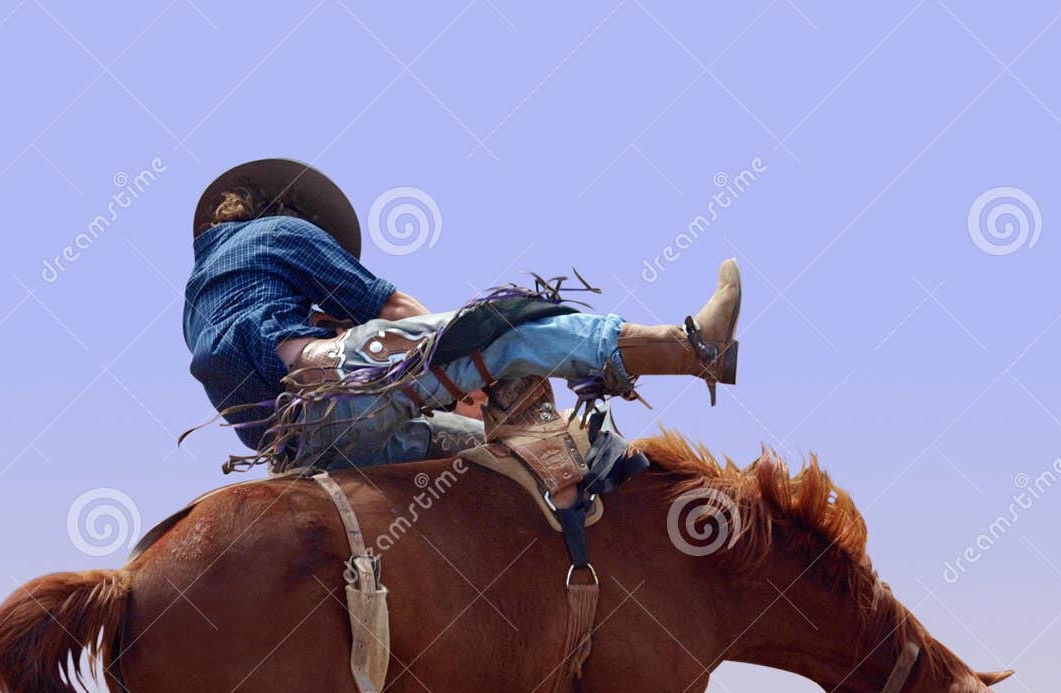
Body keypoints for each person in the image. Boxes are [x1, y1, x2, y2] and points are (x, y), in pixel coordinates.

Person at [183, 159, 741, 472]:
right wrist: (466, 367)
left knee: (491, 458)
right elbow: (394, 308)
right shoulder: (282, 231)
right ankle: (690, 348)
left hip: (301, 454)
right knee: (506, 327)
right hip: (331, 389)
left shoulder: (196, 304)